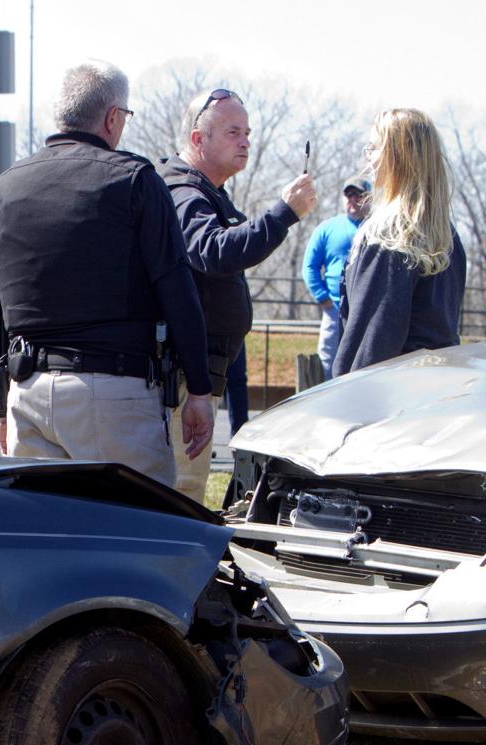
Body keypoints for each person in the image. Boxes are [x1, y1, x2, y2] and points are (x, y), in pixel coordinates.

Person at [0, 60, 213, 489]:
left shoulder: (0, 191)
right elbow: (178, 290)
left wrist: (0, 407)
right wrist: (198, 387)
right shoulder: (135, 180)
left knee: (48, 541)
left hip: (27, 388)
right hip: (114, 391)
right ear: (113, 117)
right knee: (140, 535)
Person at [157, 88, 316, 502]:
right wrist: (283, 214)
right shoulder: (183, 193)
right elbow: (215, 251)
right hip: (181, 382)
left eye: (247, 132)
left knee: (186, 490)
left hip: (200, 375)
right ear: (198, 139)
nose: (245, 141)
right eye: (233, 132)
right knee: (180, 495)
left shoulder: (206, 192)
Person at [333, 109, 466, 376]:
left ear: (398, 155)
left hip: (391, 395)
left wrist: (343, 394)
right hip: (437, 388)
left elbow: (371, 340)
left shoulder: (390, 236)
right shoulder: (447, 236)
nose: (368, 157)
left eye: (374, 147)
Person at [302, 176, 372, 379]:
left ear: (368, 198)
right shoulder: (327, 228)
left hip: (366, 310)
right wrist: (322, 297)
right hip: (334, 308)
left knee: (364, 362)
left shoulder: (377, 228)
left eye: (358, 195)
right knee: (329, 361)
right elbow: (309, 266)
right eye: (349, 195)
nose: (353, 199)